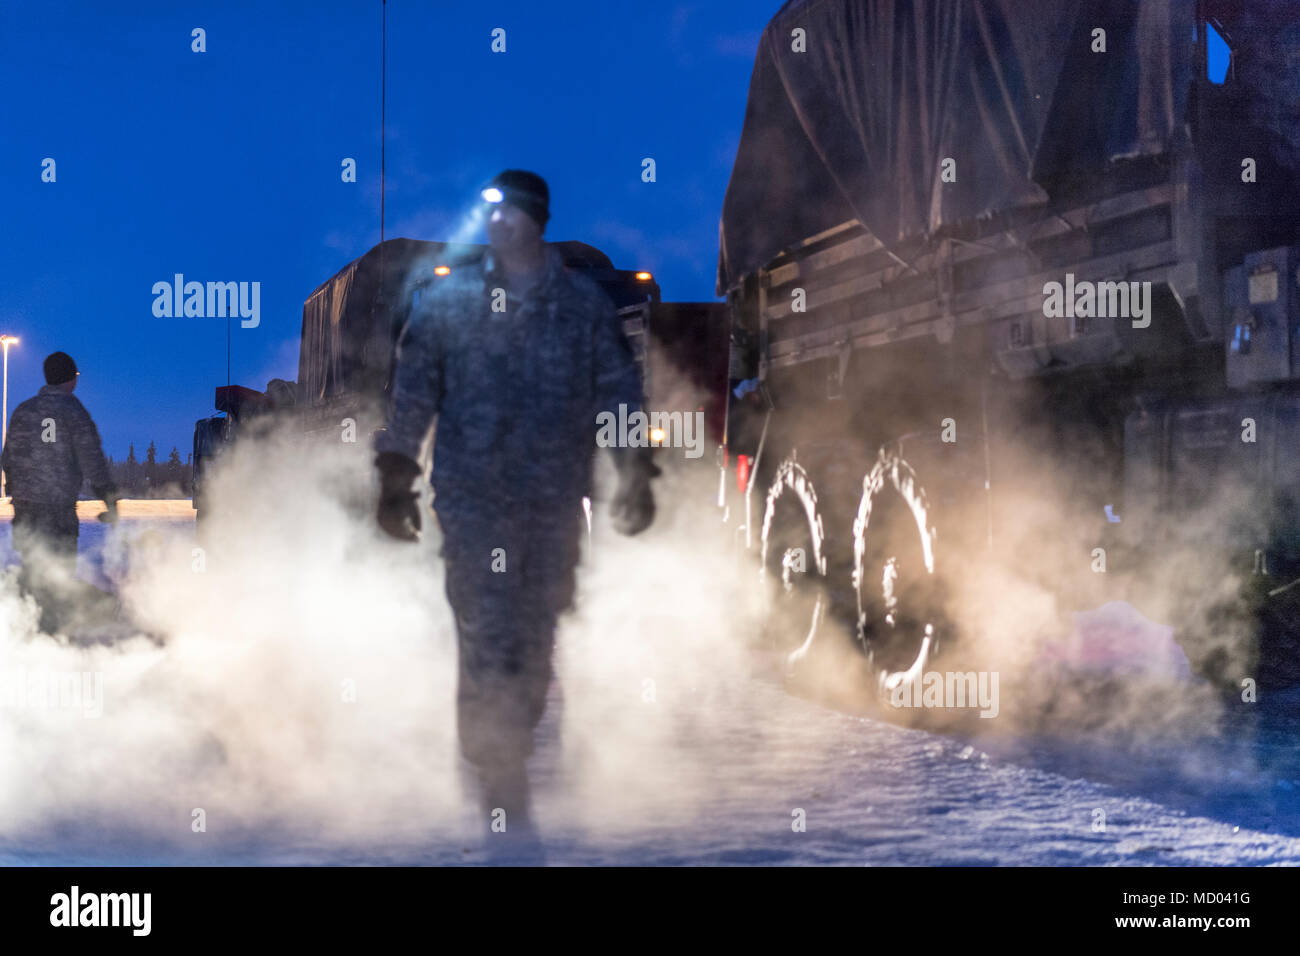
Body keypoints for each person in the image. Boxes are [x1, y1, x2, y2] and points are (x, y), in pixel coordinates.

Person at [374, 170, 657, 856]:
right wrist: (396, 476)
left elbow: (618, 392)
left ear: (538, 221)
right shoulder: (449, 305)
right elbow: (413, 396)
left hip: (552, 500)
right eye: (491, 213)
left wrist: (634, 472)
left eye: (511, 213)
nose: (498, 224)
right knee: (485, 626)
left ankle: (514, 736)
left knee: (537, 629)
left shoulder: (581, 308)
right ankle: (499, 771)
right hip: (472, 500)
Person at [2, 351, 118, 633]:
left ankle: (29, 629)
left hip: (26, 510)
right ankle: (52, 632)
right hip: (58, 510)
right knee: (59, 573)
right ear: (70, 378)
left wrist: (17, 490)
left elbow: (7, 458)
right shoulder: (72, 411)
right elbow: (91, 457)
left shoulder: (24, 410)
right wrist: (107, 496)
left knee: (34, 568)